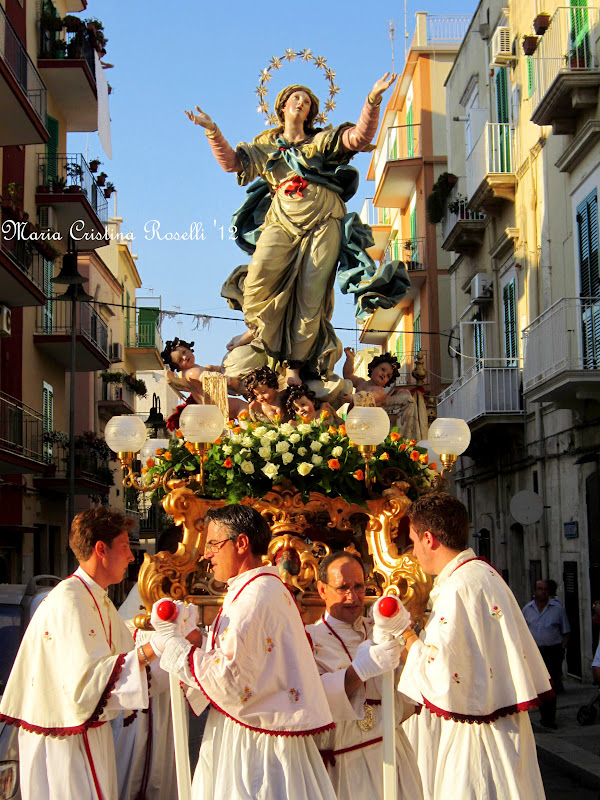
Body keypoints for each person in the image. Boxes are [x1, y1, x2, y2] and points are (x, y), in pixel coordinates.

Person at [185, 75, 401, 386]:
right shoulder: (266, 145)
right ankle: (257, 329)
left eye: (307, 101)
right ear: (282, 105)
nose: (301, 103)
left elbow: (358, 138)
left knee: (310, 295)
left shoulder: (321, 141)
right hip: (281, 219)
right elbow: (233, 163)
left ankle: (294, 365)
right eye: (295, 98)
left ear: (312, 111)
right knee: (259, 274)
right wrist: (211, 130)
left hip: (324, 220)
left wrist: (373, 100)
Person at [150, 504, 338, 799]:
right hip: (255, 729)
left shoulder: (255, 595)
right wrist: (198, 639)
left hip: (255, 745)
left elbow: (230, 678)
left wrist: (173, 644)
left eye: (213, 544)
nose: (206, 554)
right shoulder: (256, 588)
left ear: (241, 543)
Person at [397, 493, 552, 800]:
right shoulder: (483, 573)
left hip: (474, 735)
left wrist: (407, 637)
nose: (412, 551)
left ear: (429, 539)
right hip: (500, 727)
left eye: (413, 540)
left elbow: (441, 676)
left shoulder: (459, 587)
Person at [0, 508, 160, 800]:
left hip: (85, 734)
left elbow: (127, 660)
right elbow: (89, 681)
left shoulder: (96, 598)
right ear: (101, 549)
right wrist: (160, 646)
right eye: (125, 546)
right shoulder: (69, 600)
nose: (131, 557)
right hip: (63, 739)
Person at [306, 552, 423, 800]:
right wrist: (357, 672)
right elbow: (309, 701)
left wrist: (406, 639)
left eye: (358, 586)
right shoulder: (308, 640)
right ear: (322, 589)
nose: (353, 597)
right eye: (342, 588)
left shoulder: (381, 628)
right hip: (345, 767)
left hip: (393, 754)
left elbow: (415, 687)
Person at [113, 526, 184, 800]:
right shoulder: (145, 594)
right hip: (140, 703)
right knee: (138, 777)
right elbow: (130, 635)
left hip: (165, 702)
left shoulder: (177, 591)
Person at [522, 579, 571, 727]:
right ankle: (544, 716)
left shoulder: (557, 609)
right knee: (539, 684)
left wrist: (562, 649)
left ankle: (550, 718)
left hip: (553, 651)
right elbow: (522, 632)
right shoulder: (527, 609)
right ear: (534, 591)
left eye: (545, 589)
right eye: (539, 589)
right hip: (536, 652)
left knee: (552, 684)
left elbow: (566, 631)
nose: (542, 592)